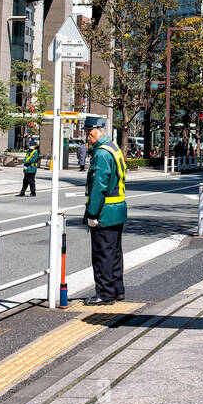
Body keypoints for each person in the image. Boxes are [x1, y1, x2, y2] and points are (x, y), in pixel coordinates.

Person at [82, 115, 128, 305]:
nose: (87, 137)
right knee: (115, 253)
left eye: (89, 132)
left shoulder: (101, 154)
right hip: (118, 209)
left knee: (102, 255)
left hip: (105, 212)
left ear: (98, 130)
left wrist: (92, 214)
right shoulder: (114, 148)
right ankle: (117, 290)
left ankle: (105, 294)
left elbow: (98, 186)